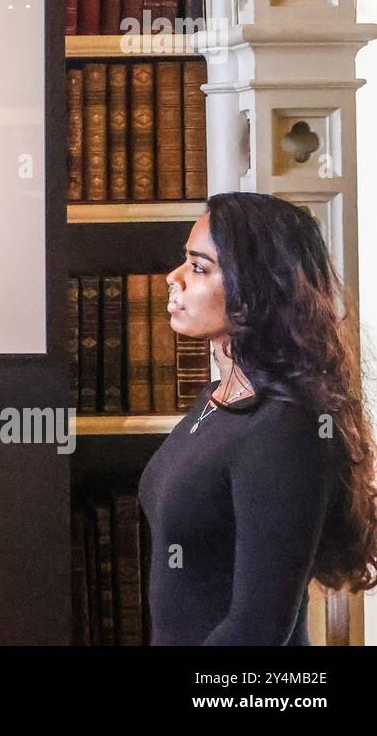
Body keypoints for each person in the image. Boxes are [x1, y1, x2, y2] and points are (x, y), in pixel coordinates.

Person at [138, 192, 377, 645]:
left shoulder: (284, 429)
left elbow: (257, 630)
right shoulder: (217, 400)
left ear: (255, 291)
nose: (174, 278)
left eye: (199, 267)